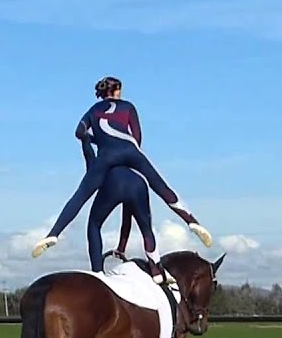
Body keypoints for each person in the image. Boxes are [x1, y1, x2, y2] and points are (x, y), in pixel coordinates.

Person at [31, 76, 213, 260]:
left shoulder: (93, 111)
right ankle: (191, 221)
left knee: (80, 196)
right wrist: (131, 157)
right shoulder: (128, 106)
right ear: (117, 90)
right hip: (131, 149)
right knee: (160, 186)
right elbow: (137, 136)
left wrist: (94, 139)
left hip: (106, 155)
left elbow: (79, 132)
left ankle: (53, 234)